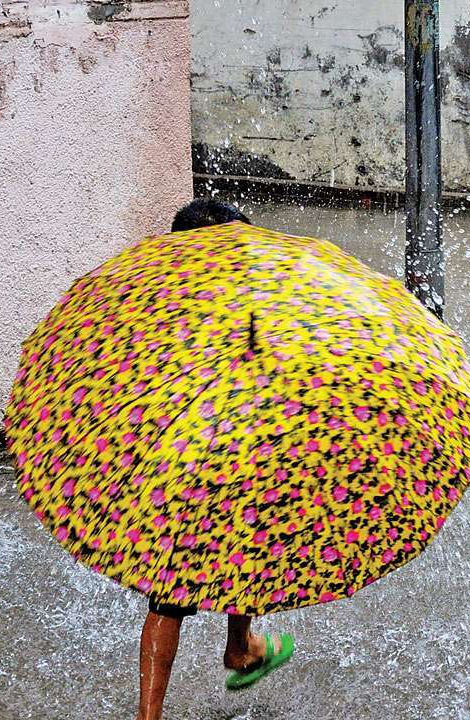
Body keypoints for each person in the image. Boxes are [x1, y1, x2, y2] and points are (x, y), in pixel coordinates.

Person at [139, 198, 295, 720]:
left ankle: (150, 713)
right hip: (238, 449)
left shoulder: (154, 298)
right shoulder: (250, 301)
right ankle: (239, 644)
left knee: (168, 592)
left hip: (174, 454)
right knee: (247, 545)